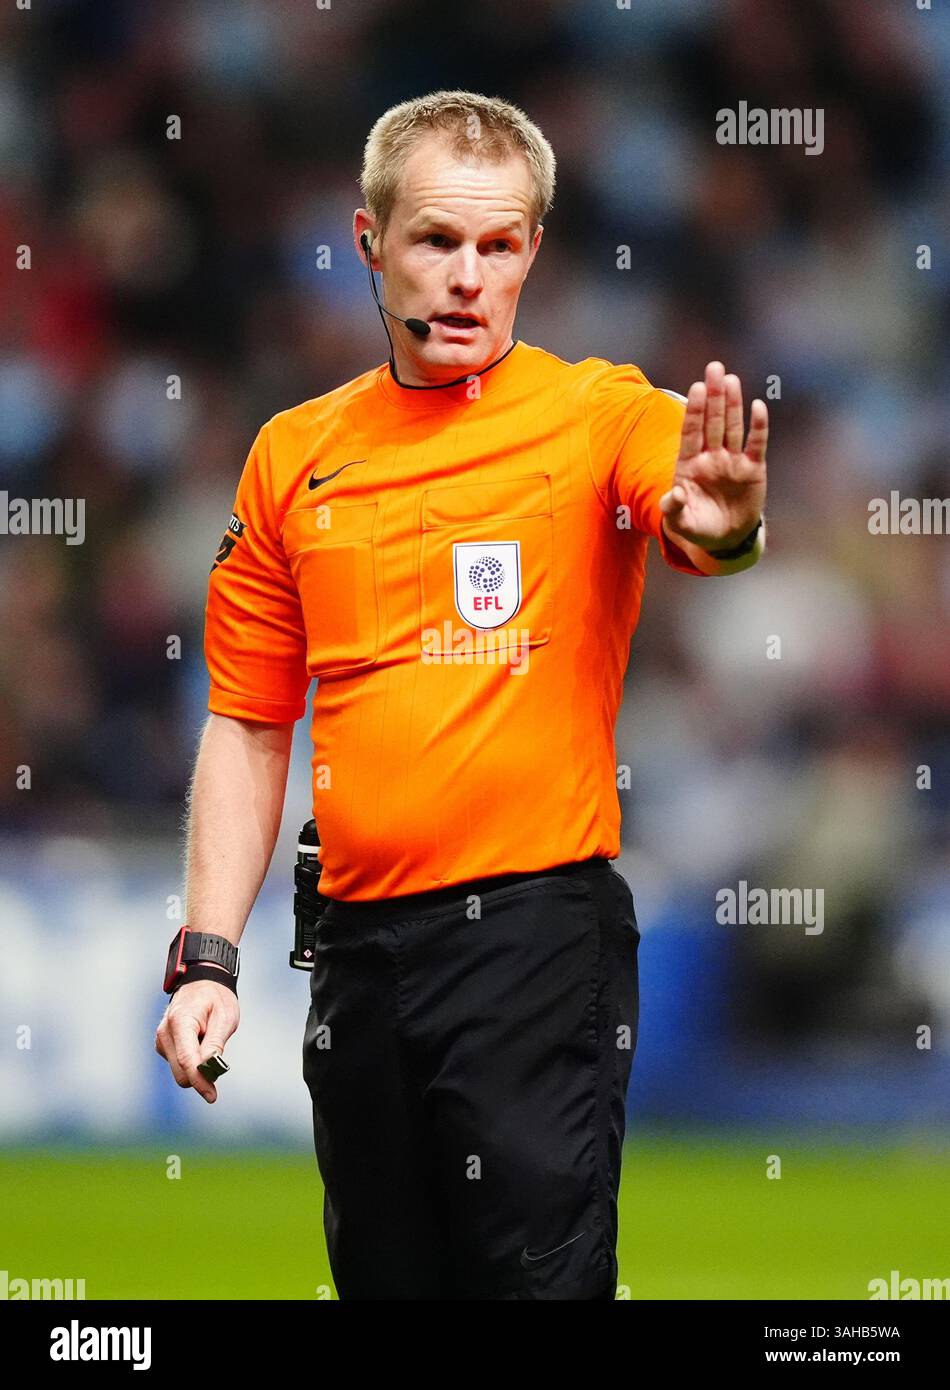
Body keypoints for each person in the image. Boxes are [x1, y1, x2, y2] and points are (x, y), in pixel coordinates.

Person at [154, 90, 767, 1301]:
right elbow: (246, 719)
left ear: (533, 249)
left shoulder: (600, 415)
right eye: (437, 240)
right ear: (368, 239)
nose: (467, 279)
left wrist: (727, 528)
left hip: (534, 947)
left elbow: (695, 517)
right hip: (357, 953)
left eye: (498, 247)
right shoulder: (293, 456)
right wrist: (206, 961)